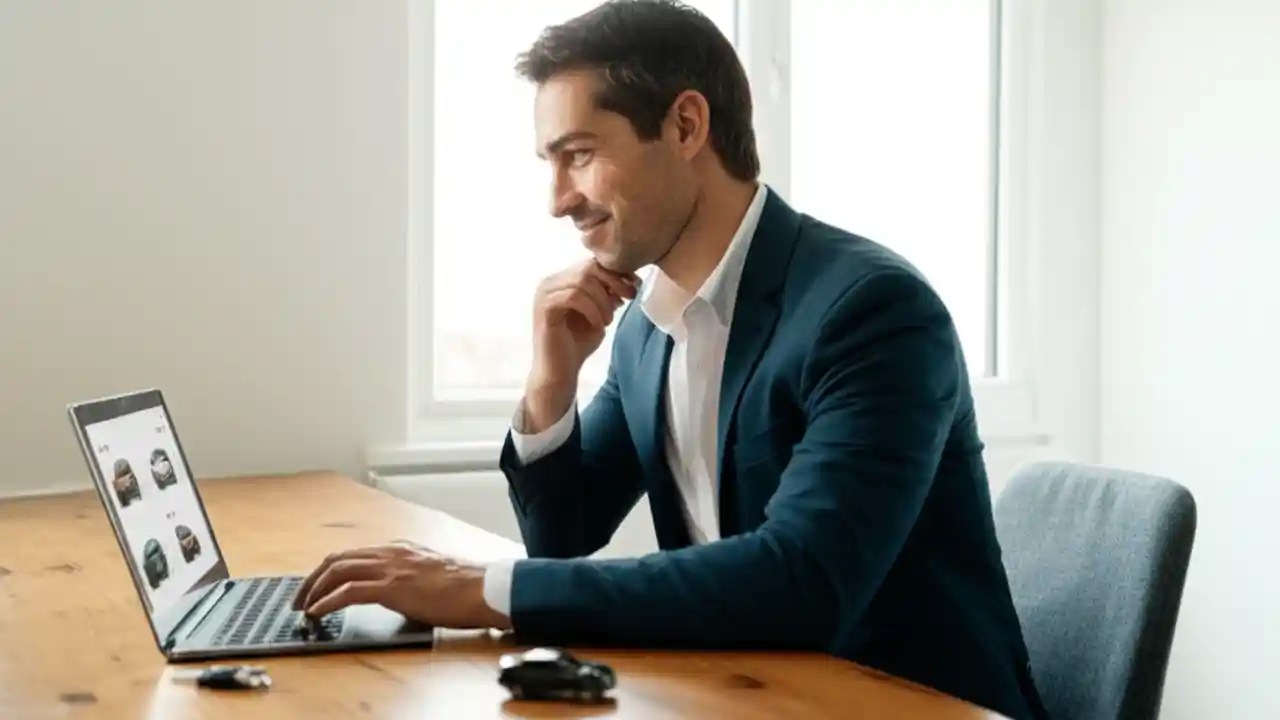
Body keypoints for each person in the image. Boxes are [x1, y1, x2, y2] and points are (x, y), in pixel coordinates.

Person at [295, 2, 1046, 717]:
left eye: (579, 156)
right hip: (747, 695)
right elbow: (563, 542)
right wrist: (551, 382)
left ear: (686, 125)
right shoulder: (647, 328)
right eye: (551, 163)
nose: (558, 200)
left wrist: (477, 589)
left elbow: (804, 581)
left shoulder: (870, 311)